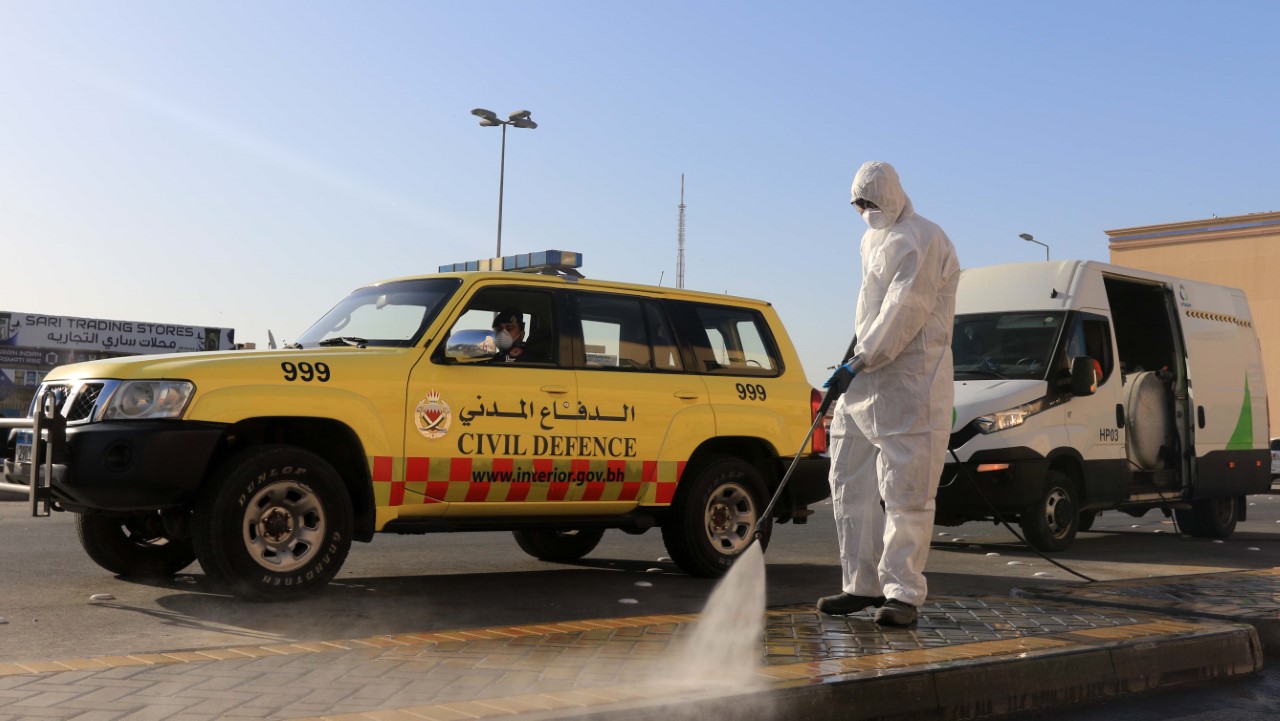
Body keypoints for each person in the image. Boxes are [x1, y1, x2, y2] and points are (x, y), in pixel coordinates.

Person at [818, 161, 961, 626]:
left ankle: (902, 595)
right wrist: (852, 360)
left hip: (912, 386)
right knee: (848, 480)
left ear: (892, 195)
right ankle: (860, 585)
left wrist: (857, 362)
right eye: (858, 204)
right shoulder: (870, 239)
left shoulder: (924, 238)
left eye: (870, 202)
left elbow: (905, 311)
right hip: (866, 384)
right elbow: (872, 310)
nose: (864, 211)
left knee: (906, 494)